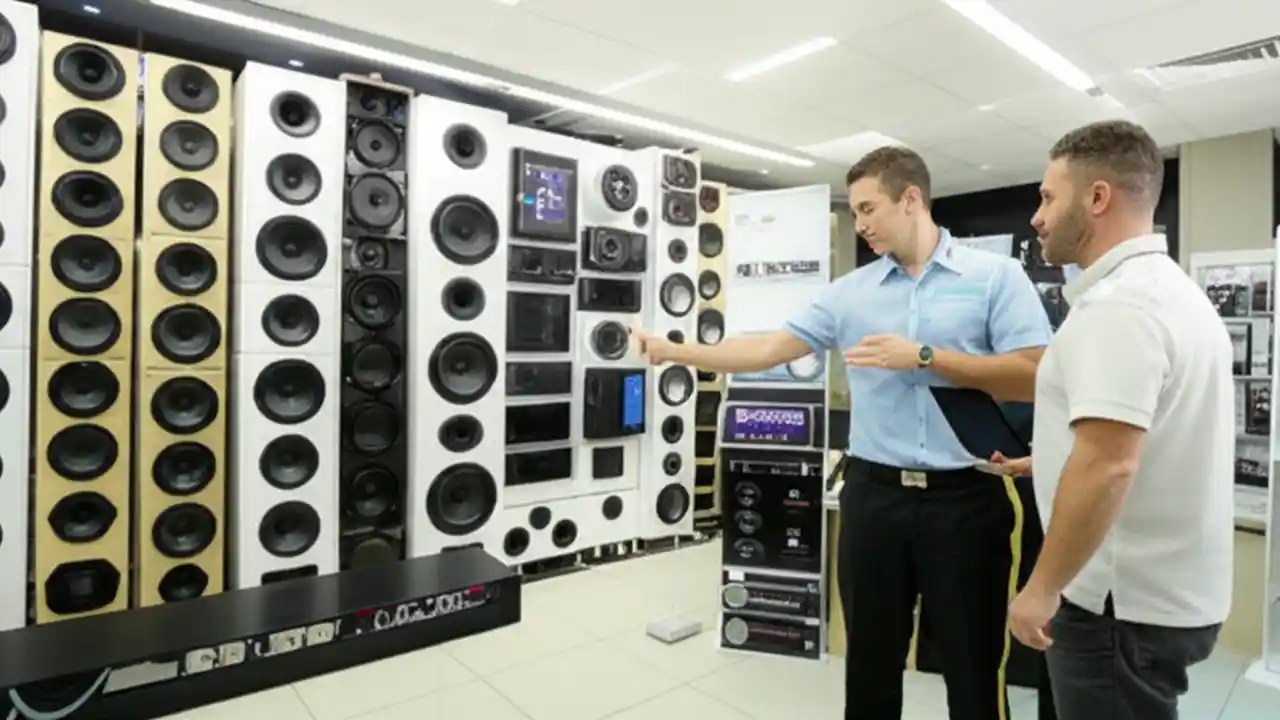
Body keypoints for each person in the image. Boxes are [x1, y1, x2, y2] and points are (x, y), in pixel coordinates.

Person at [635, 145, 1053, 720]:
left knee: (974, 667)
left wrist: (928, 357)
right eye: (854, 211)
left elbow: (1034, 375)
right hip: (873, 500)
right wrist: (677, 350)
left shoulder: (994, 278)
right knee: (870, 667)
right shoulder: (850, 291)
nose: (858, 224)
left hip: (967, 502)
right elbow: (767, 348)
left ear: (911, 199)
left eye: (867, 208)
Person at [996, 120, 1234, 720]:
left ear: (1097, 198)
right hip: (1160, 597)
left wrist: (1043, 588)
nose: (1037, 217)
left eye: (1049, 197)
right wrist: (1050, 459)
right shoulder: (1169, 291)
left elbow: (1108, 465)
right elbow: (1138, 435)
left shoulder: (1120, 306)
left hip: (1116, 605)